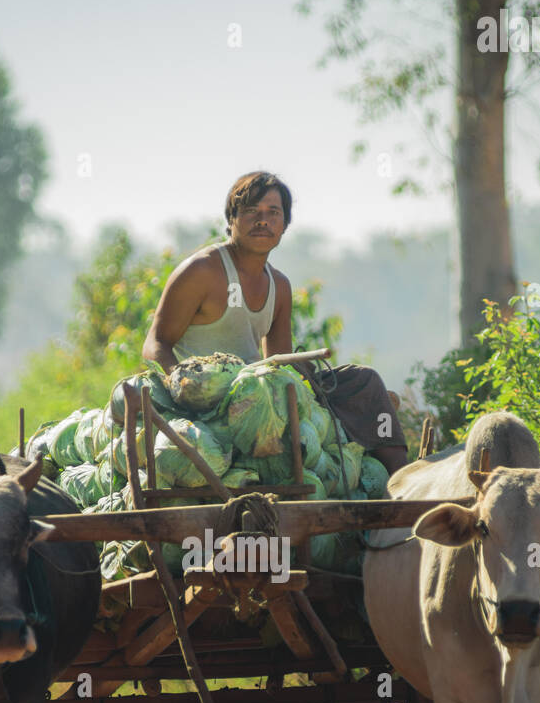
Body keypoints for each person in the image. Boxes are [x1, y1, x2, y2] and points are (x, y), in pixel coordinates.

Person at [142, 171, 408, 475]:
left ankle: (403, 486)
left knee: (364, 381)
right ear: (231, 219)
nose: (262, 220)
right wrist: (186, 386)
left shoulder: (279, 285)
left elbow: (279, 361)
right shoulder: (203, 271)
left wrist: (323, 383)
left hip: (257, 391)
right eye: (251, 211)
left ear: (284, 225)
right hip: (208, 403)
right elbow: (155, 344)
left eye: (273, 213)